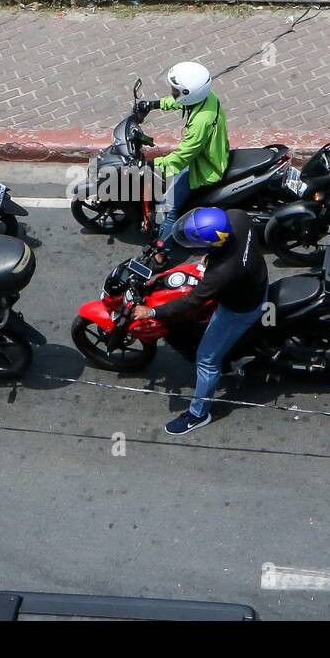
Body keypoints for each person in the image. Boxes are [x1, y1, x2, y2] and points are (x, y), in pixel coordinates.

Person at [130, 207, 268, 436]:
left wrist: (151, 312)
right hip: (255, 277)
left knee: (206, 360)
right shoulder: (237, 218)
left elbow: (192, 301)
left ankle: (198, 414)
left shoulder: (222, 273)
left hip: (241, 307)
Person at [141, 61, 230, 244]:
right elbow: (183, 102)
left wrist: (151, 165)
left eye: (176, 91)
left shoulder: (200, 123)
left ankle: (160, 250)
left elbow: (181, 158)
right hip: (213, 153)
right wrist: (155, 104)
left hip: (205, 168)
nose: (173, 94)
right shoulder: (207, 97)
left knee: (170, 208)